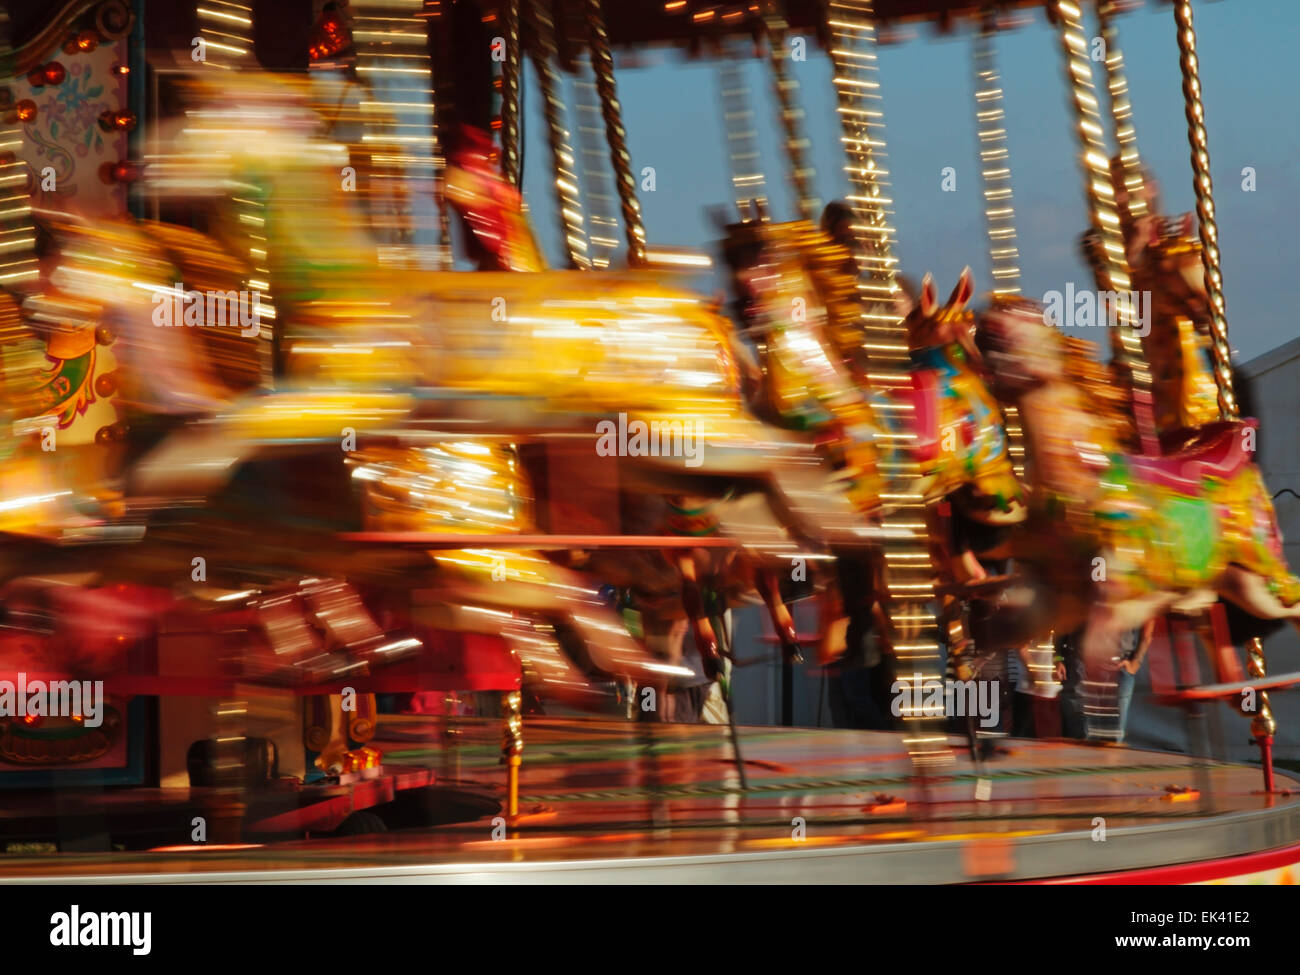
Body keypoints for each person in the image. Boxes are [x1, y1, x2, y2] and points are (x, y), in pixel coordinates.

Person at [1115, 621, 1155, 743]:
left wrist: (1135, 663)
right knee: (1088, 729)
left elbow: (1148, 631)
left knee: (1114, 732)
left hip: (1120, 666)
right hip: (1093, 666)